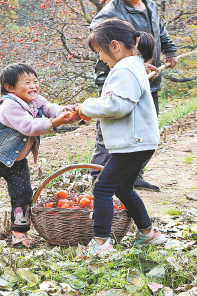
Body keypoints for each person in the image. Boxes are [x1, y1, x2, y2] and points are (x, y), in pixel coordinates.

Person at [73, 18, 167, 257]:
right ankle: (148, 234)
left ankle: (101, 243)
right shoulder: (133, 66)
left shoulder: (124, 70)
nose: (100, 58)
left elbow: (116, 106)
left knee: (102, 189)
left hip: (132, 143)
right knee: (124, 189)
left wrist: (85, 108)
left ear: (114, 46)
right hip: (140, 141)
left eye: (99, 52)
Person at [0, 63, 75, 248]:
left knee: (23, 193)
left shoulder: (36, 100)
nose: (33, 86)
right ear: (9, 87)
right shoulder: (7, 105)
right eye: (27, 82)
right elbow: (29, 126)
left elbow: (52, 109)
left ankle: (19, 233)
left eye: (35, 81)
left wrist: (67, 112)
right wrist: (56, 122)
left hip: (16, 159)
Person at [89, 0, 179, 191]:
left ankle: (132, 178)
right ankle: (99, 180)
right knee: (110, 131)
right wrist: (134, 62)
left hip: (149, 81)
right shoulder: (111, 13)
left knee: (143, 130)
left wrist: (171, 51)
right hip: (121, 82)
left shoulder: (150, 6)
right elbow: (97, 39)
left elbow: (160, 31)